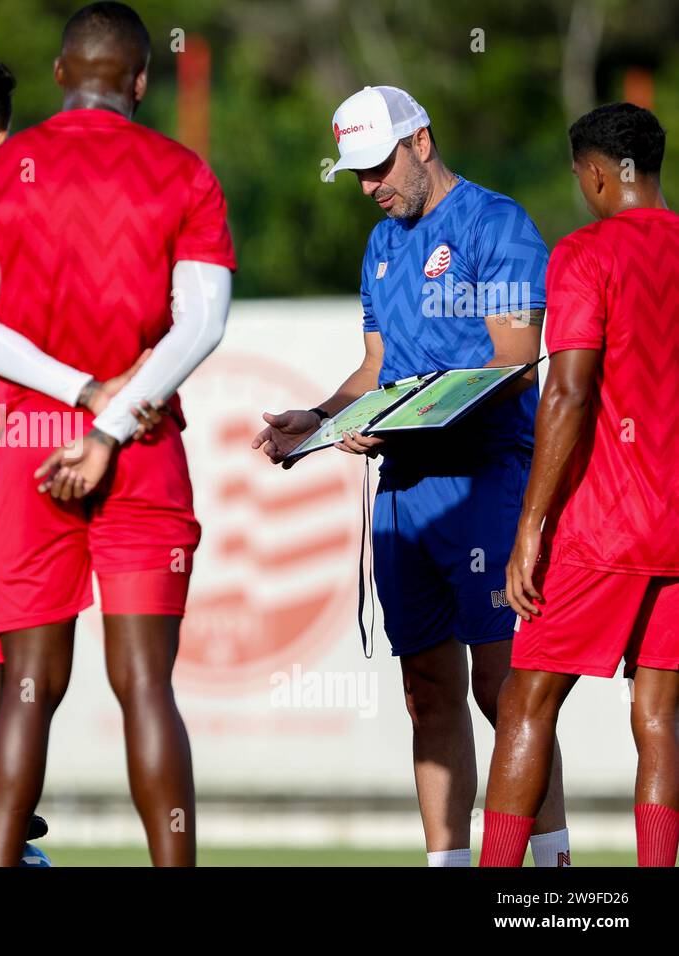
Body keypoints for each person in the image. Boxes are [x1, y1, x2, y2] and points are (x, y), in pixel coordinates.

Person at [0, 2, 236, 867]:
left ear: (62, 74)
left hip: (27, 443)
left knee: (26, 691)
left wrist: (74, 395)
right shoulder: (183, 172)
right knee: (146, 685)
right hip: (141, 445)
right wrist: (108, 420)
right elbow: (201, 328)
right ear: (141, 81)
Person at [253, 84, 569, 866]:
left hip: (485, 480)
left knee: (504, 691)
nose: (370, 187)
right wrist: (321, 419)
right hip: (402, 489)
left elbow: (514, 361)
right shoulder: (381, 243)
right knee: (425, 689)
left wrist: (405, 416)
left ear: (421, 141)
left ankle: (553, 866)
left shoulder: (498, 224)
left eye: (378, 166)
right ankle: (447, 862)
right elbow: (374, 368)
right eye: (356, 174)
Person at [481, 103, 679, 868]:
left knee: (525, 699)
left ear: (597, 174)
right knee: (660, 717)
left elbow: (565, 393)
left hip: (604, 524)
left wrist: (531, 525)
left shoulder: (585, 253)